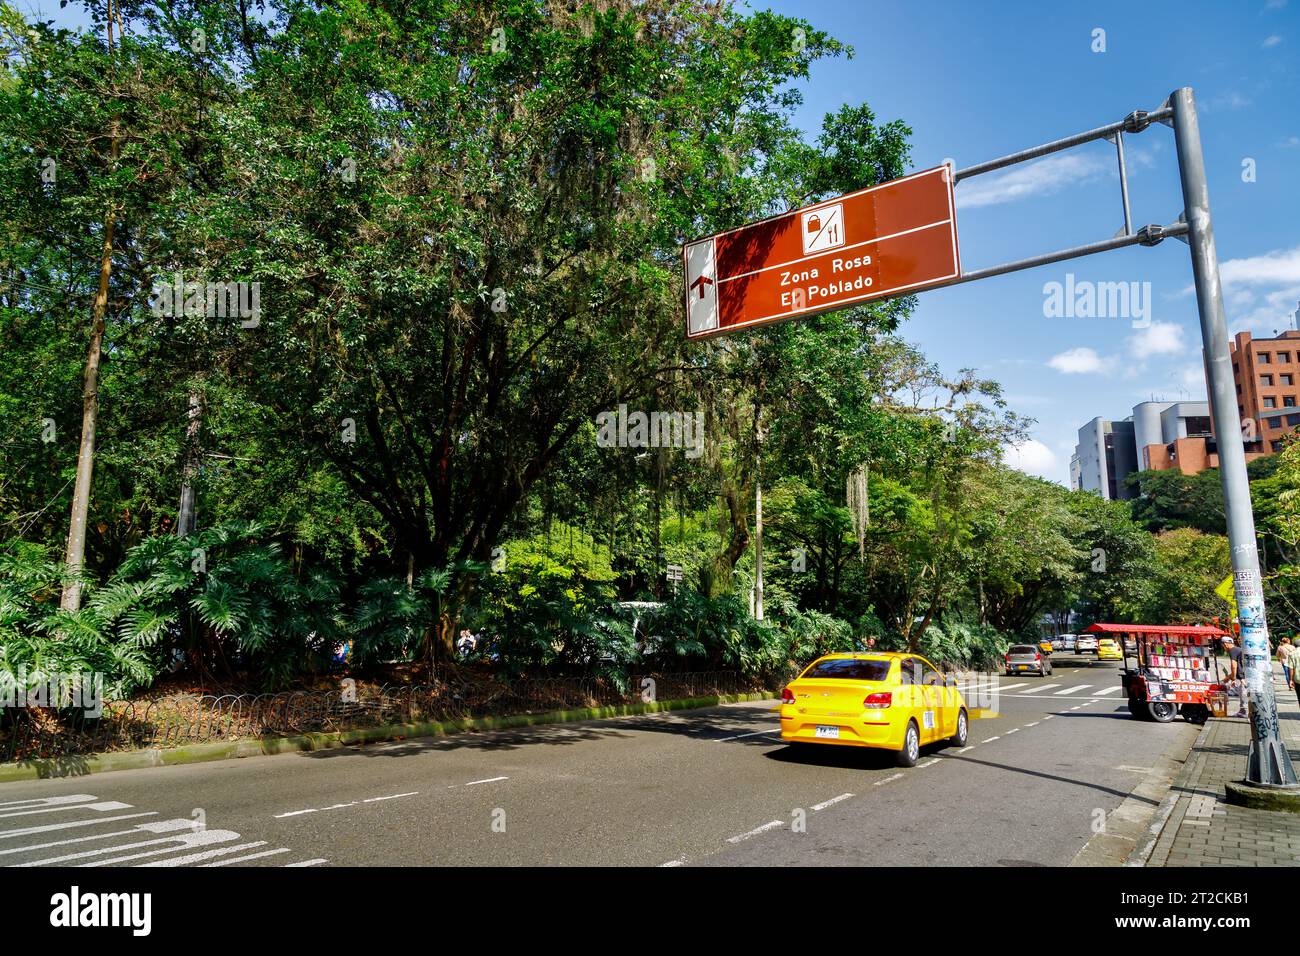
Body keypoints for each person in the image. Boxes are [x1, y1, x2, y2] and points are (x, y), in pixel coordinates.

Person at [1223, 636, 1247, 718]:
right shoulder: (1238, 649)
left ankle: (1244, 712)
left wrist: (1233, 678)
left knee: (1243, 694)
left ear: (1226, 644)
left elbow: (1234, 666)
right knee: (1242, 694)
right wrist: (1229, 677)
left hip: (1242, 677)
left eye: (1223, 645)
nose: (1223, 648)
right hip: (1244, 675)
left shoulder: (1232, 651)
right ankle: (1242, 711)